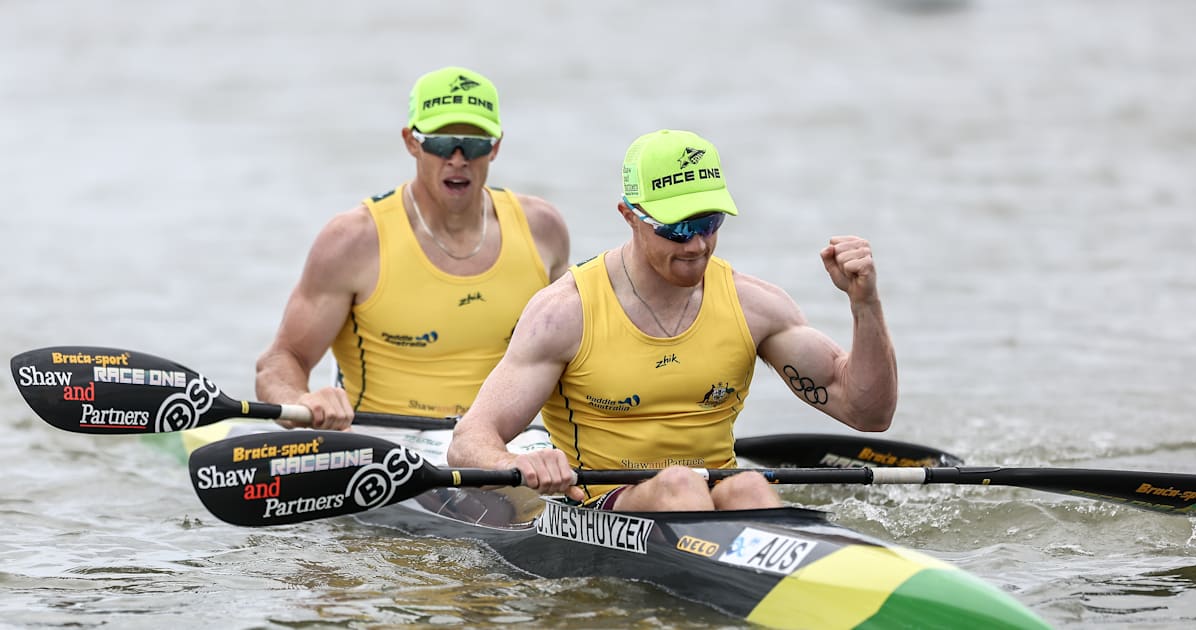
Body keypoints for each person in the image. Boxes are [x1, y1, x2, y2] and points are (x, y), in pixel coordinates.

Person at [447, 128, 897, 511]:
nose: (697, 245)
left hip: (717, 496)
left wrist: (865, 304)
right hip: (602, 505)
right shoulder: (565, 313)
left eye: (709, 222)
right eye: (677, 229)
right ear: (629, 215)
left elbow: (868, 413)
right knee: (679, 486)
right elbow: (469, 440)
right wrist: (520, 462)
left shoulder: (755, 306)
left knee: (750, 487)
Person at [255, 66, 570, 430]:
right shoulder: (354, 240)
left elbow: (574, 358)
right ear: (411, 142)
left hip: (500, 446)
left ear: (495, 147)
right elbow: (282, 359)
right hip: (389, 449)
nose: (457, 159)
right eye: (439, 142)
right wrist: (301, 400)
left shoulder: (542, 230)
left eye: (474, 144)